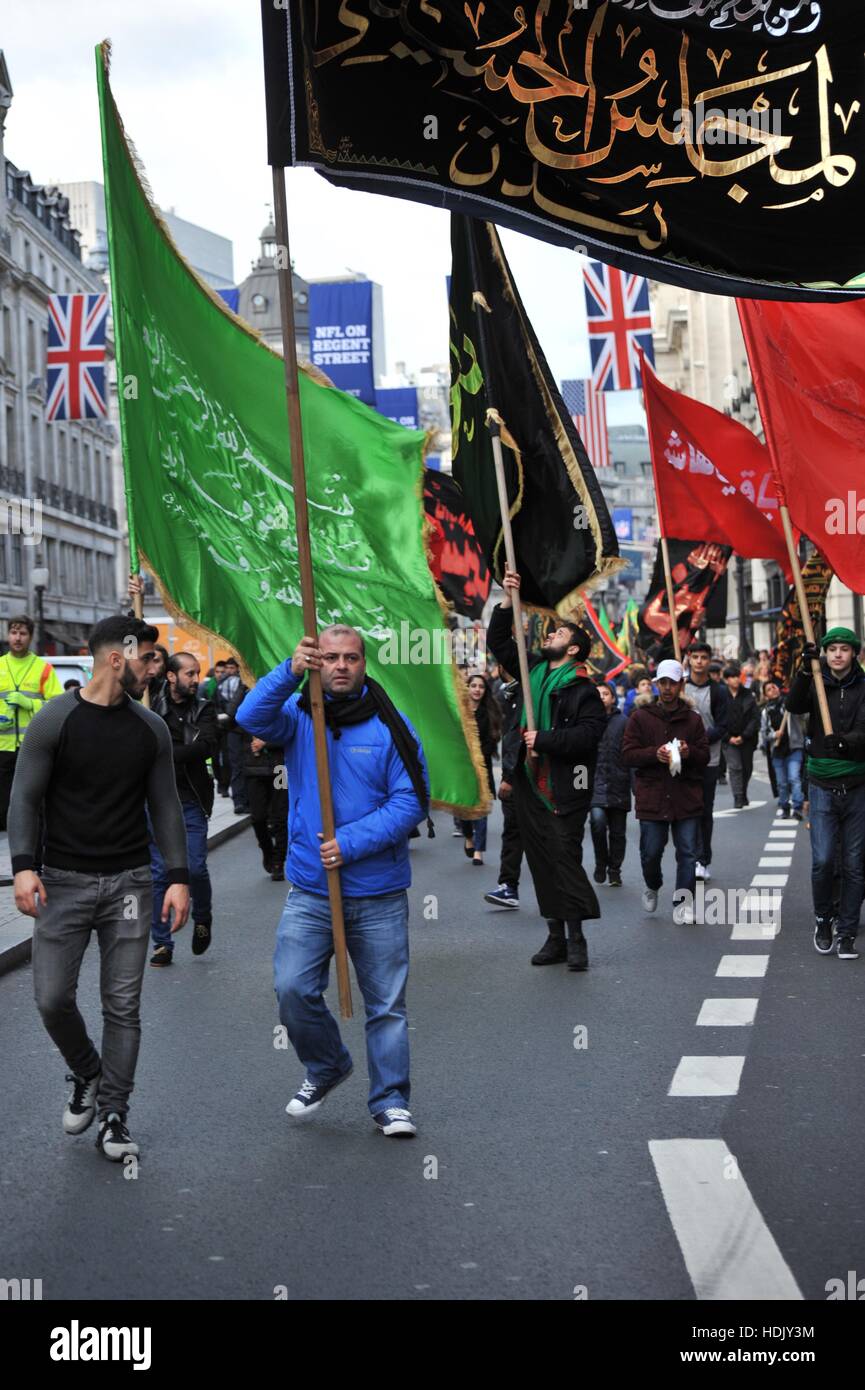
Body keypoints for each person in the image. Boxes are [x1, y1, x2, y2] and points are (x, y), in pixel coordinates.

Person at [8, 616, 189, 1161]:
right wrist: (22, 866)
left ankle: (114, 1113)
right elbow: (24, 798)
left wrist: (178, 878)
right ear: (117, 658)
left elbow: (165, 805)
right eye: (147, 659)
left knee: (123, 1005)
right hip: (62, 881)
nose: (153, 668)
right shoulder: (54, 721)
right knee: (52, 999)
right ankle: (87, 1071)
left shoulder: (149, 729)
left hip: (131, 882)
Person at [237, 625, 429, 1138]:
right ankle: (326, 1065)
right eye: (331, 658)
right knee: (292, 989)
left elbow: (411, 802)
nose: (341, 666)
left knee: (386, 1005)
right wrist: (290, 670)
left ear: (365, 664)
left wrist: (349, 842)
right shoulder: (301, 714)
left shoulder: (392, 726)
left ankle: (390, 1101)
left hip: (378, 890)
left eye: (351, 658)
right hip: (312, 889)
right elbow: (248, 717)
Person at [487, 569, 606, 972]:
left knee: (563, 859)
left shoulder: (582, 689)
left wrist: (546, 740)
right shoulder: (531, 667)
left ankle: (577, 940)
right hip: (527, 783)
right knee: (539, 860)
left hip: (563, 789)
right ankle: (555, 937)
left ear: (574, 650)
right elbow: (498, 642)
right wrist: (508, 600)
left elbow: (590, 737)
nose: (552, 634)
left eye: (561, 633)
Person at [786, 628, 865, 960]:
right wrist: (805, 671)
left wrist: (847, 742)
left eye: (843, 649)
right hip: (821, 786)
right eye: (831, 649)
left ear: (854, 654)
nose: (836, 654)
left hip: (858, 784)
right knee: (822, 860)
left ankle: (847, 932)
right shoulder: (816, 681)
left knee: (855, 864)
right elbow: (793, 704)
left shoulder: (863, 687)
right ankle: (823, 920)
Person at [621, 659, 710, 924]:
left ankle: (684, 902)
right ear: (657, 684)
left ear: (681, 684)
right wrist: (654, 754)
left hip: (686, 796)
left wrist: (689, 752)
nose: (668, 688)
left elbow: (705, 755)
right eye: (663, 683)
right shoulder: (640, 717)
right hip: (652, 796)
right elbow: (627, 754)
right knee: (650, 851)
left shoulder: (693, 720)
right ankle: (652, 883)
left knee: (688, 853)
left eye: (673, 682)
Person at [148, 653, 218, 965]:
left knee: (195, 867)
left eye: (198, 673)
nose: (195, 679)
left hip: (190, 799)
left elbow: (204, 747)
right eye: (189, 673)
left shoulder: (204, 708)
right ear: (172, 676)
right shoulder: (150, 705)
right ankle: (162, 943)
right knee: (159, 873)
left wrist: (163, 752)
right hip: (155, 802)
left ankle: (202, 917)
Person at [0, 616, 64, 829]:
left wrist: (29, 703)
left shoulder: (42, 668)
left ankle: (33, 859)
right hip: (3, 750)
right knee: (5, 809)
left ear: (30, 636)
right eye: (14, 632)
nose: (17, 638)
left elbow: (57, 706)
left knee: (33, 807)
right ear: (7, 634)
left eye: (23, 633)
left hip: (33, 746)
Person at [684, 642, 729, 880]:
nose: (699, 661)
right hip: (680, 759)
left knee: (703, 810)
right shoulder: (680, 688)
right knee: (684, 811)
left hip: (708, 760)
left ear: (709, 660)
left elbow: (723, 725)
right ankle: (689, 856)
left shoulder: (719, 691)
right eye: (695, 657)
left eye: (704, 657)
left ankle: (702, 859)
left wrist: (699, 739)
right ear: (689, 658)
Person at [484, 675, 524, 909]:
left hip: (528, 778)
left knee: (538, 837)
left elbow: (519, 740)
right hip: (515, 777)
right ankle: (508, 886)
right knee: (512, 834)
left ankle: (555, 891)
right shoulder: (507, 693)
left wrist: (508, 777)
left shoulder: (532, 692)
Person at [589, 682, 630, 887]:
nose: (602, 697)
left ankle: (615, 869)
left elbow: (631, 754)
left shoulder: (624, 722)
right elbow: (579, 756)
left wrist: (635, 784)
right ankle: (600, 862)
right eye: (598, 694)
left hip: (618, 783)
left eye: (606, 693)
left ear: (613, 698)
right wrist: (579, 786)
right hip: (594, 783)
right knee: (597, 823)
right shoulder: (587, 722)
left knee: (618, 832)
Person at [458, 671, 501, 867]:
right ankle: (468, 837)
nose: (477, 690)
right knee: (465, 810)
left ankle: (478, 851)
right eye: (474, 686)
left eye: (481, 687)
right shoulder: (458, 712)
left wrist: (477, 757)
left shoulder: (490, 713)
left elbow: (491, 741)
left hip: (482, 768)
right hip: (462, 768)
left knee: (481, 810)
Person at [243, 734, 288, 881]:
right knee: (258, 817)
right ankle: (267, 849)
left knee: (280, 816)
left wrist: (266, 742)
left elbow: (289, 733)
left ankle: (278, 862)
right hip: (254, 768)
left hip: (280, 768)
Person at [760, 677, 805, 821]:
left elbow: (803, 715)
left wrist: (794, 701)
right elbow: (764, 733)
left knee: (794, 778)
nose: (772, 690)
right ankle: (784, 806)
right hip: (777, 751)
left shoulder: (789, 704)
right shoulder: (765, 712)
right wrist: (775, 734)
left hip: (794, 747)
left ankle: (797, 807)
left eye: (774, 687)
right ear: (766, 695)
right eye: (768, 689)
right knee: (782, 782)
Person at [722, 664, 760, 808]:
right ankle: (737, 796)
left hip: (747, 738)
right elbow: (717, 718)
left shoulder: (747, 694)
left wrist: (744, 736)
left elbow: (754, 718)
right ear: (726, 680)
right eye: (732, 677)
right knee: (735, 767)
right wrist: (727, 737)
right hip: (728, 738)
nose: (735, 680)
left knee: (747, 768)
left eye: (737, 676)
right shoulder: (722, 695)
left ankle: (743, 792)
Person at [215, 657, 249, 813]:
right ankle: (240, 800)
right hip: (235, 729)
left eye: (232, 667)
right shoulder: (228, 683)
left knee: (239, 765)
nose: (229, 670)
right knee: (237, 765)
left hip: (238, 729)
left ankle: (241, 800)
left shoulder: (224, 683)